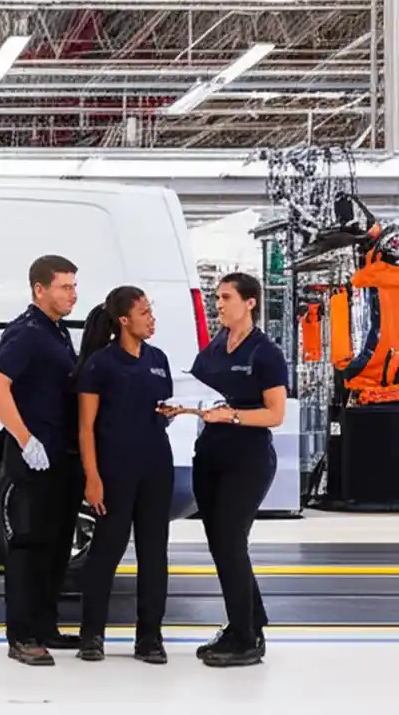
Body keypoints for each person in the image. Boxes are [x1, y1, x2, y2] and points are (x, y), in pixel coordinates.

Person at [164, 272, 288, 668]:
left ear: (250, 302)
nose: (219, 304)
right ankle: (248, 623)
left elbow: (275, 414)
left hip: (246, 461)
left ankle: (245, 638)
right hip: (210, 457)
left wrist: (230, 415)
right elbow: (199, 392)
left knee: (231, 543)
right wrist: (179, 406)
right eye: (217, 297)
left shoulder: (264, 353)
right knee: (222, 546)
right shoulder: (215, 346)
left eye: (226, 297)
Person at [0, 254, 85, 666]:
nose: (72, 294)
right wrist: (25, 439)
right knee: (29, 546)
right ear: (39, 289)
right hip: (35, 458)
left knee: (58, 545)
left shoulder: (57, 332)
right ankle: (21, 636)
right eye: (64, 287)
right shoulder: (25, 332)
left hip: (61, 457)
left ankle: (45, 626)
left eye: (75, 286)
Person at [72, 286, 174, 665]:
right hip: (115, 470)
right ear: (124, 320)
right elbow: (86, 427)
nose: (152, 318)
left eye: (151, 311)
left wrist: (168, 412)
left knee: (154, 553)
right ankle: (92, 634)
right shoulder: (101, 364)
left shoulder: (158, 359)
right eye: (144, 312)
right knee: (106, 551)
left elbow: (154, 405)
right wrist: (92, 476)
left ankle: (149, 636)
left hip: (155, 467)